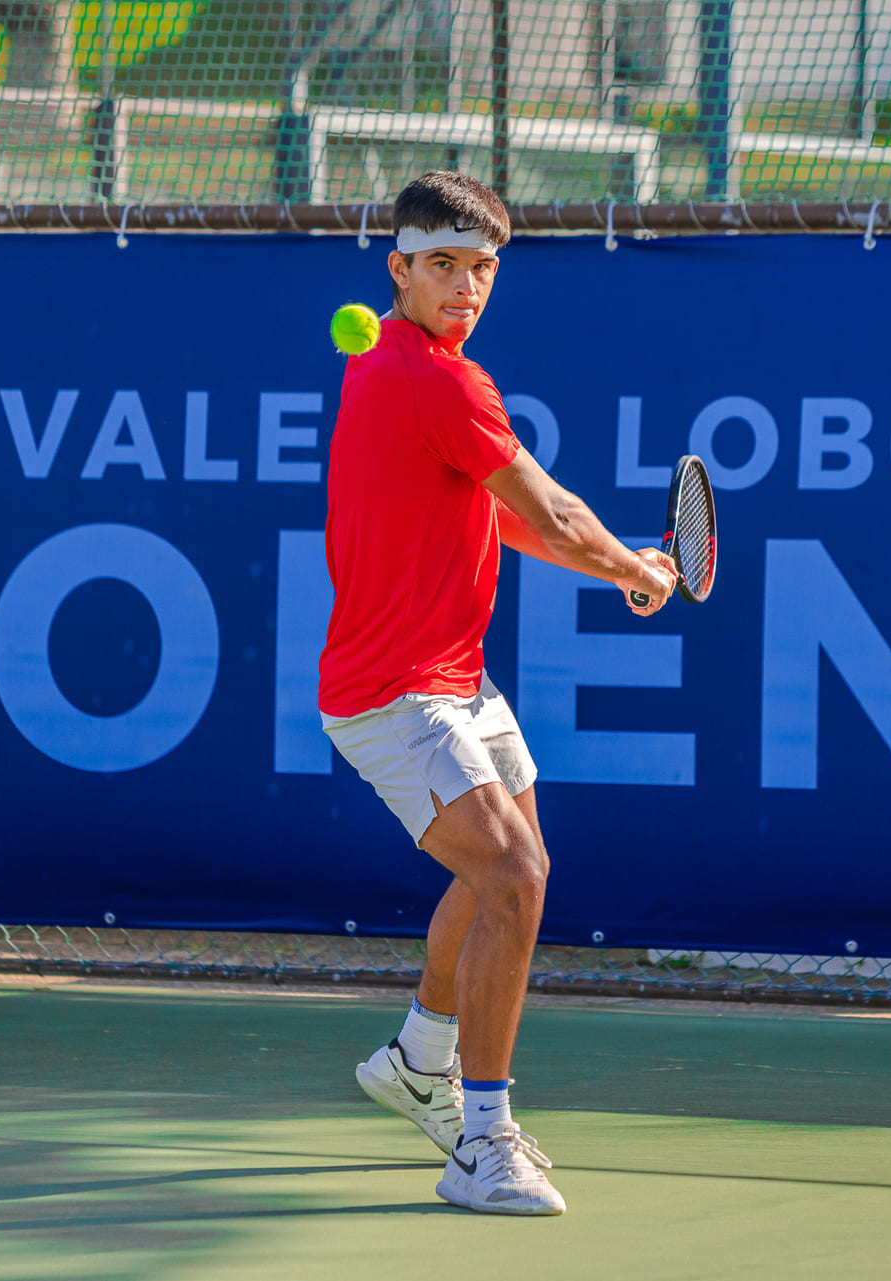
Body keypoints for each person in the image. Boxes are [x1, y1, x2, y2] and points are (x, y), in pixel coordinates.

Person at [318, 171, 678, 1216]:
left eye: (483, 270)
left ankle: (416, 1063)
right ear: (399, 271)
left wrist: (618, 564)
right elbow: (555, 514)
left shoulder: (393, 360)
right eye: (442, 267)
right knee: (515, 879)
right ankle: (482, 1140)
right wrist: (629, 567)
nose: (465, 288)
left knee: (504, 880)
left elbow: (513, 519)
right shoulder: (440, 379)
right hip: (394, 693)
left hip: (457, 679)